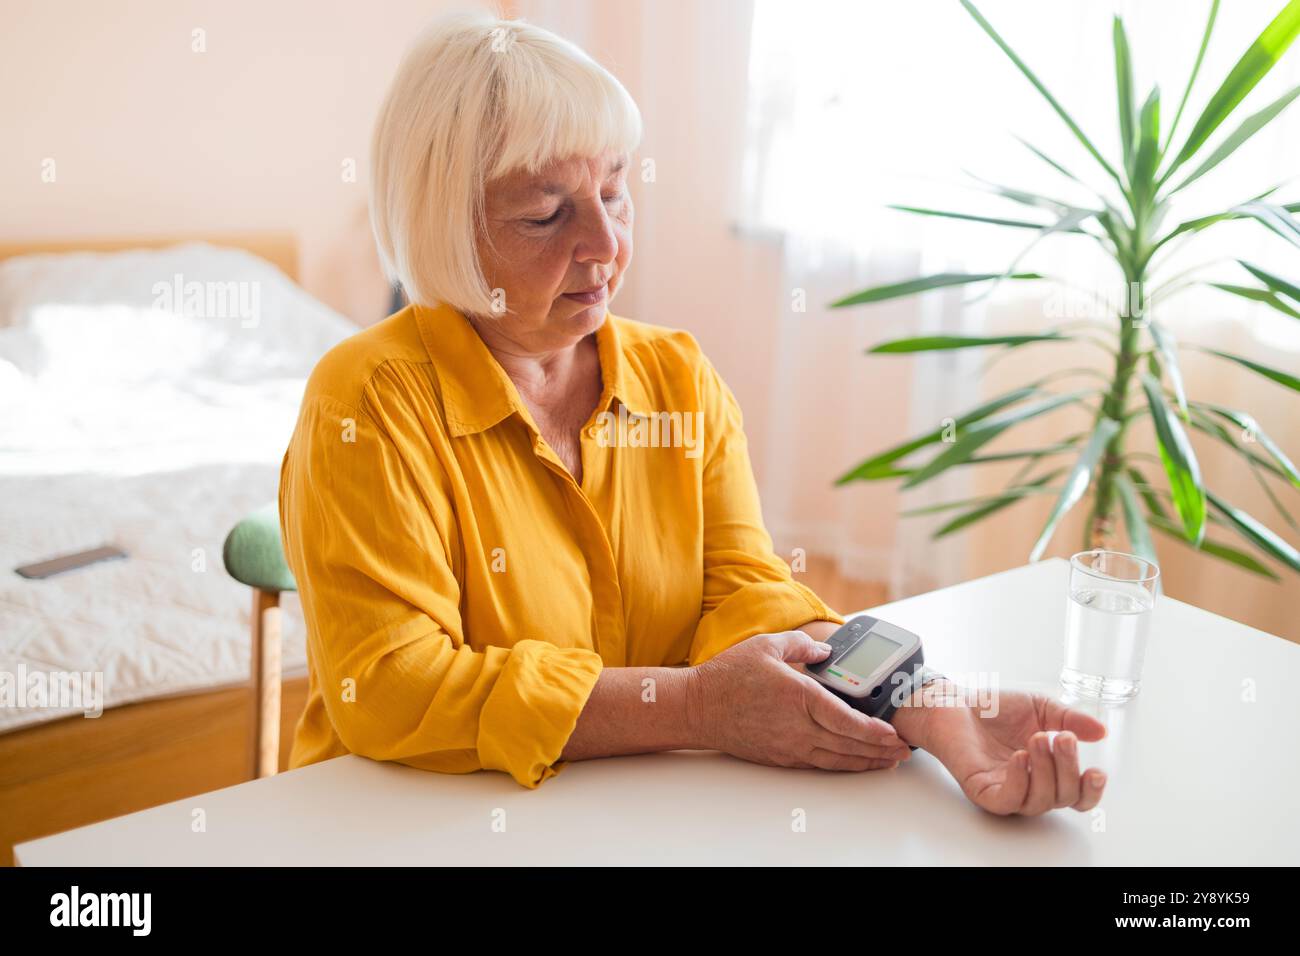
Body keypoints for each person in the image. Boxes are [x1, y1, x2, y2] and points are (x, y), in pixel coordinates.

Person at [279, 11, 1108, 817]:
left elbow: (744, 591)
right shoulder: (367, 402)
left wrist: (924, 701)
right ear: (446, 230)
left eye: (614, 191)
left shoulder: (675, 375)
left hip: (631, 817)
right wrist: (692, 709)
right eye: (546, 214)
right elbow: (391, 686)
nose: (605, 243)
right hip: (408, 827)